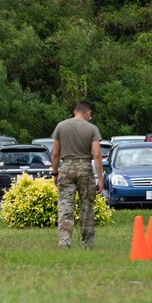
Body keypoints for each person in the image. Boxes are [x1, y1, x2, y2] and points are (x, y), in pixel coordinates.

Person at [50, 100, 104, 249]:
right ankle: (87, 243)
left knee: (65, 206)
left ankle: (64, 242)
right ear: (88, 113)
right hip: (85, 167)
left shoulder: (61, 126)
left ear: (75, 111)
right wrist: (100, 179)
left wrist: (55, 172)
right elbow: (97, 155)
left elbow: (55, 153)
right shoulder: (92, 129)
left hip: (66, 167)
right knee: (87, 206)